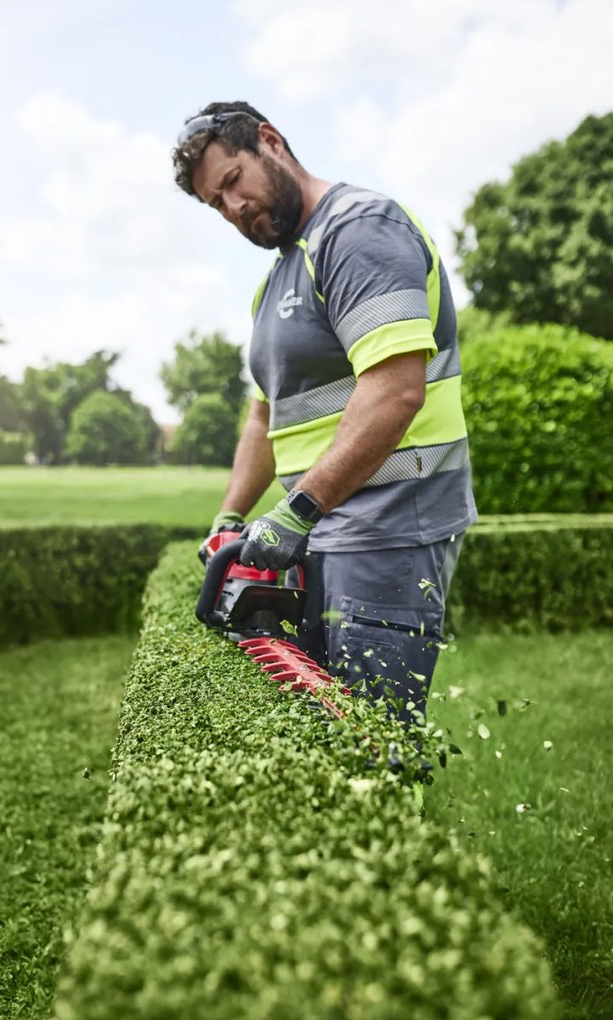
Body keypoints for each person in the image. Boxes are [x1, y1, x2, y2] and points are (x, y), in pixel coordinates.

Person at [172, 101, 477, 722]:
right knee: (327, 730)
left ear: (270, 141)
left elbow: (395, 390)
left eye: (232, 182)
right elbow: (266, 415)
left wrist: (297, 511)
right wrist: (232, 513)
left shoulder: (358, 230)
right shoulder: (278, 277)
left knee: (377, 738)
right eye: (216, 203)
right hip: (324, 532)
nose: (233, 208)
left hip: (390, 531)